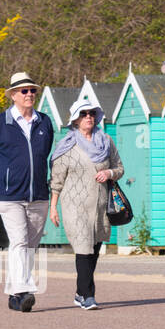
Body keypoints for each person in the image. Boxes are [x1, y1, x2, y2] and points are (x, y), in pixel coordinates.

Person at [0, 72, 56, 312]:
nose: (29, 94)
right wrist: (1, 183)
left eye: (32, 90)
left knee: (29, 247)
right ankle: (24, 291)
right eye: (24, 91)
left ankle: (15, 296)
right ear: (13, 95)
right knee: (19, 241)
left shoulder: (44, 122)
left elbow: (44, 155)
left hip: (38, 196)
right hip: (9, 196)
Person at [49, 97, 123, 310]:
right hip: (74, 206)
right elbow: (57, 180)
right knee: (83, 248)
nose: (89, 117)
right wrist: (53, 207)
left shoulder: (106, 141)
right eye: (84, 114)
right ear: (75, 120)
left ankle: (80, 292)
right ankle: (88, 296)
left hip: (100, 206)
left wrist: (109, 172)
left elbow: (119, 167)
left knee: (95, 249)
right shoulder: (66, 146)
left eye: (91, 113)